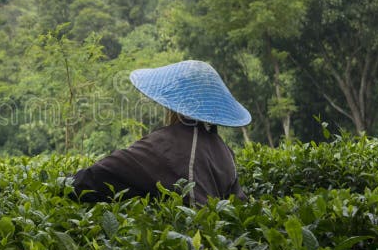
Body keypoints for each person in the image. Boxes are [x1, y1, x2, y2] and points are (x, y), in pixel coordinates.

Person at [68, 60, 250, 206]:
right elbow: (238, 204)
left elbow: (101, 174)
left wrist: (61, 184)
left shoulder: (166, 143)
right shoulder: (224, 151)